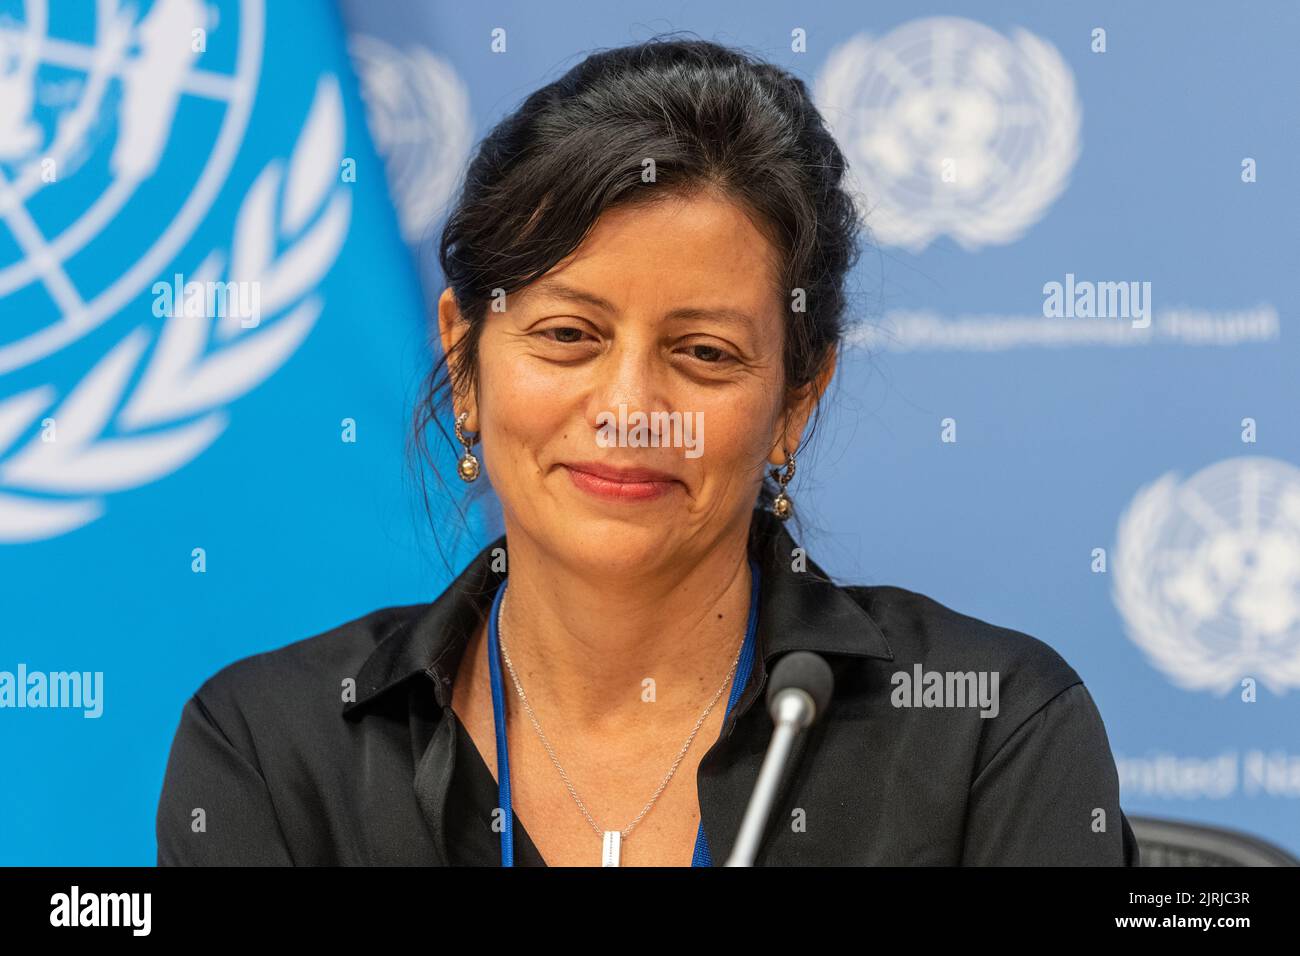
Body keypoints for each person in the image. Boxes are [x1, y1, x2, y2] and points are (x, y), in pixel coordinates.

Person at [156, 36, 1138, 867]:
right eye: (568, 337)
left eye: (703, 353)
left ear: (796, 400)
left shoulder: (986, 730)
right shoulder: (274, 744)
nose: (630, 409)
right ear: (465, 361)